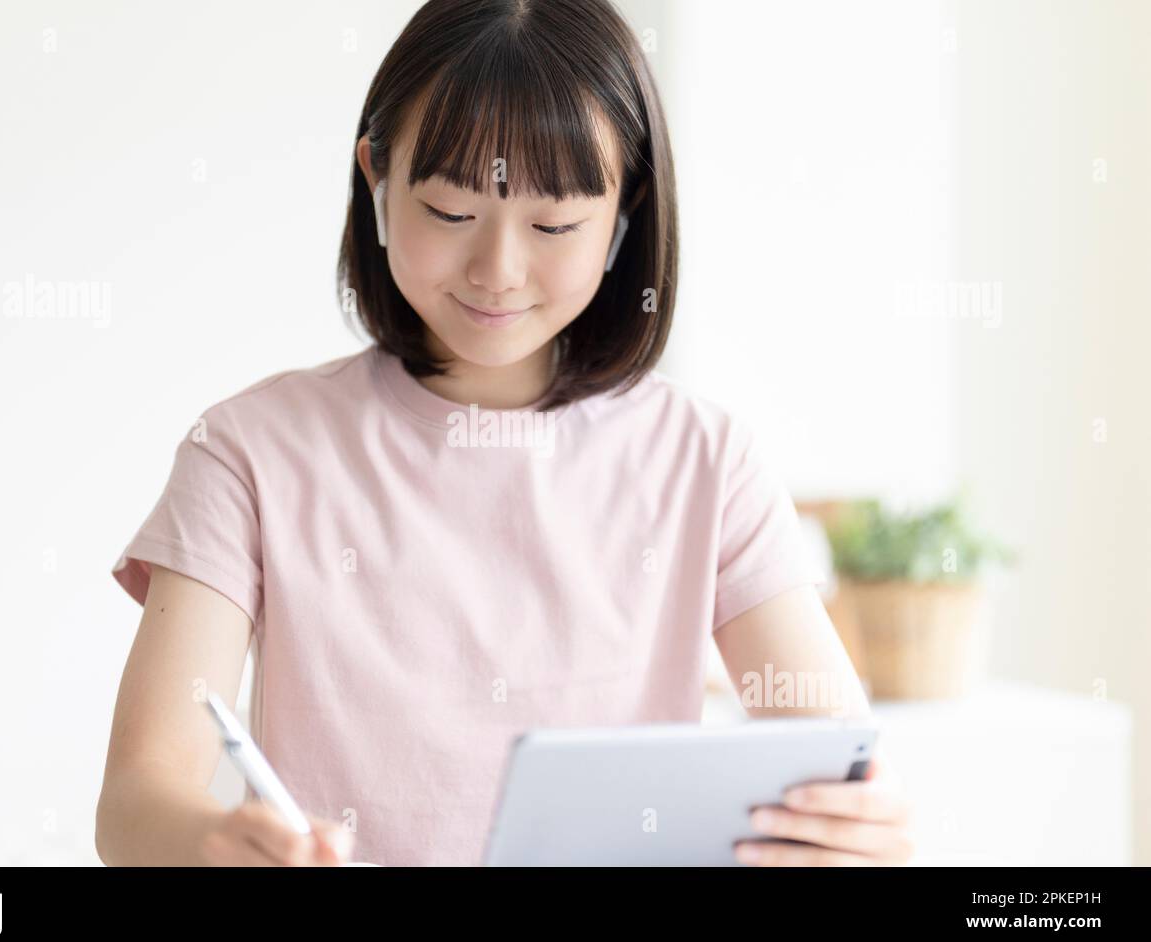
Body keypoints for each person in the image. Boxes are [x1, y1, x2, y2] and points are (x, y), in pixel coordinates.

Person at [95, 0, 914, 867]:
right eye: (450, 212)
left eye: (555, 225)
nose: (498, 271)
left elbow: (842, 768)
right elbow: (138, 798)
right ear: (376, 177)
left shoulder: (704, 462)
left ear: (625, 209)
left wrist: (864, 831)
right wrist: (219, 846)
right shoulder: (248, 452)